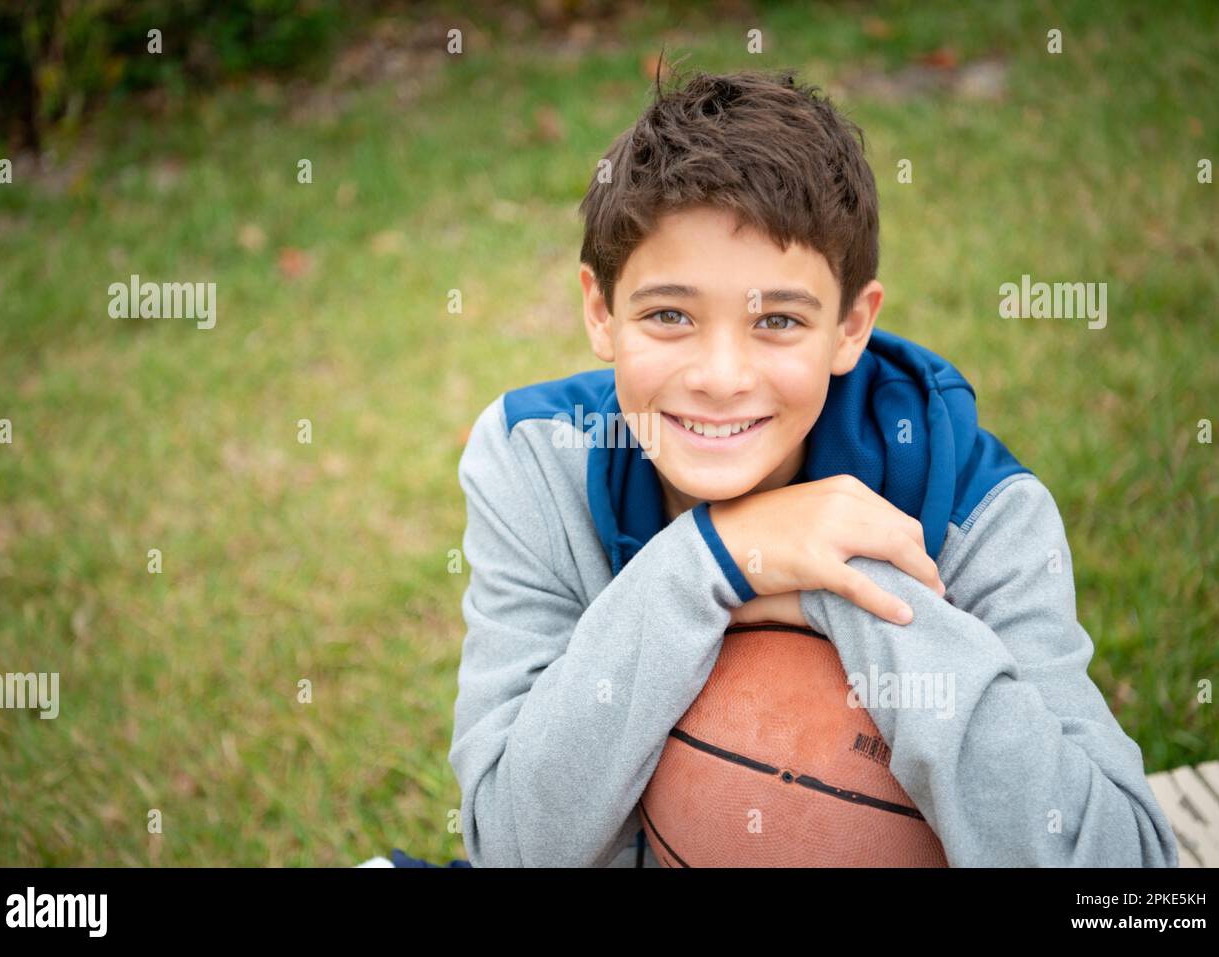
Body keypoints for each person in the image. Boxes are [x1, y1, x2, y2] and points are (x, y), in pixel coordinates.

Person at [445, 67, 1179, 868]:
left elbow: (1130, 876)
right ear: (599, 311)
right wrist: (711, 561)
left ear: (851, 325)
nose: (721, 376)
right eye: (669, 315)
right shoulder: (534, 459)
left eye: (778, 320)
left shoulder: (981, 508)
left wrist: (847, 587)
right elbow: (512, 845)